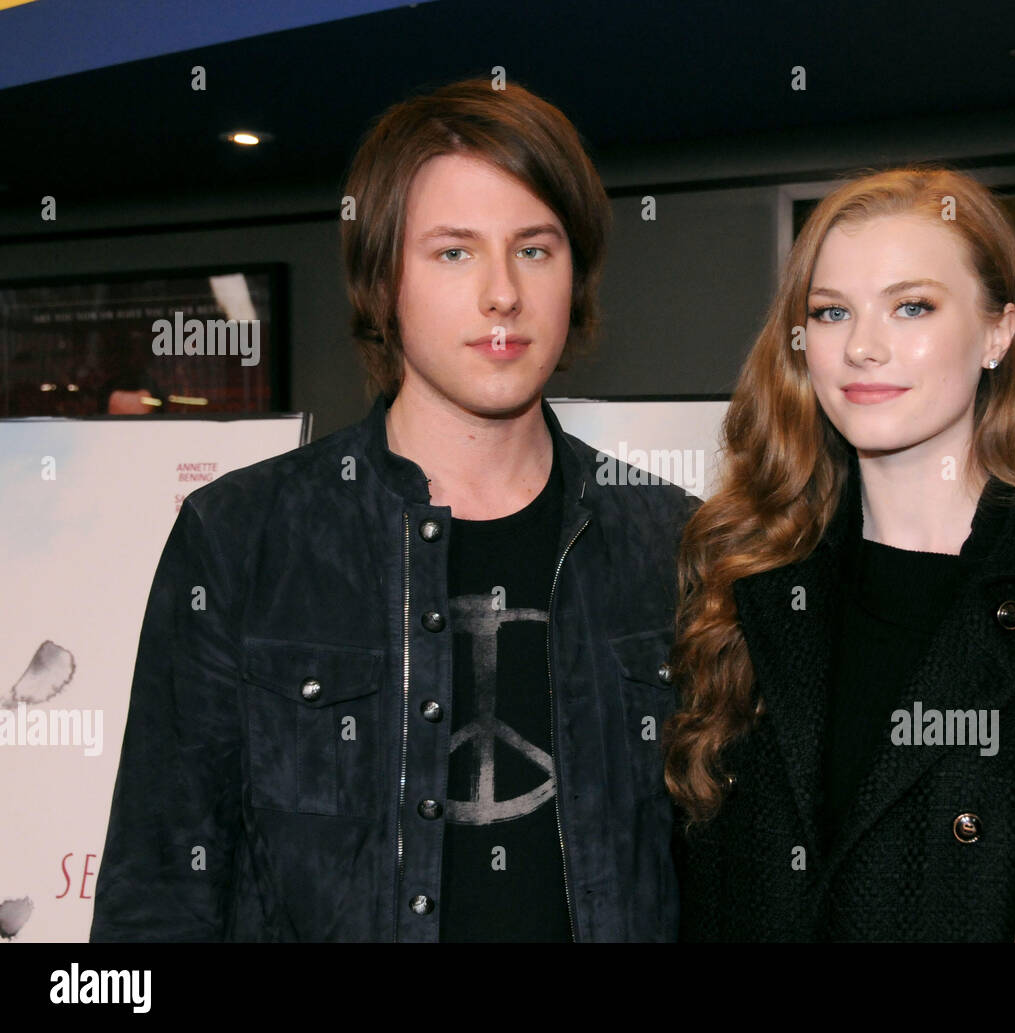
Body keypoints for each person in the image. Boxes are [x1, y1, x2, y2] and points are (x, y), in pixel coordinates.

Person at [90, 79, 696, 942]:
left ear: (577, 275)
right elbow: (156, 895)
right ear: (383, 280)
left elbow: (731, 882)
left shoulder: (675, 543)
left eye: (536, 249)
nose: (502, 294)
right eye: (454, 252)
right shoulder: (239, 539)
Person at [664, 165, 1015, 942]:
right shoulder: (733, 578)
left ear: (998, 331)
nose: (862, 347)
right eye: (830, 312)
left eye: (911, 306)